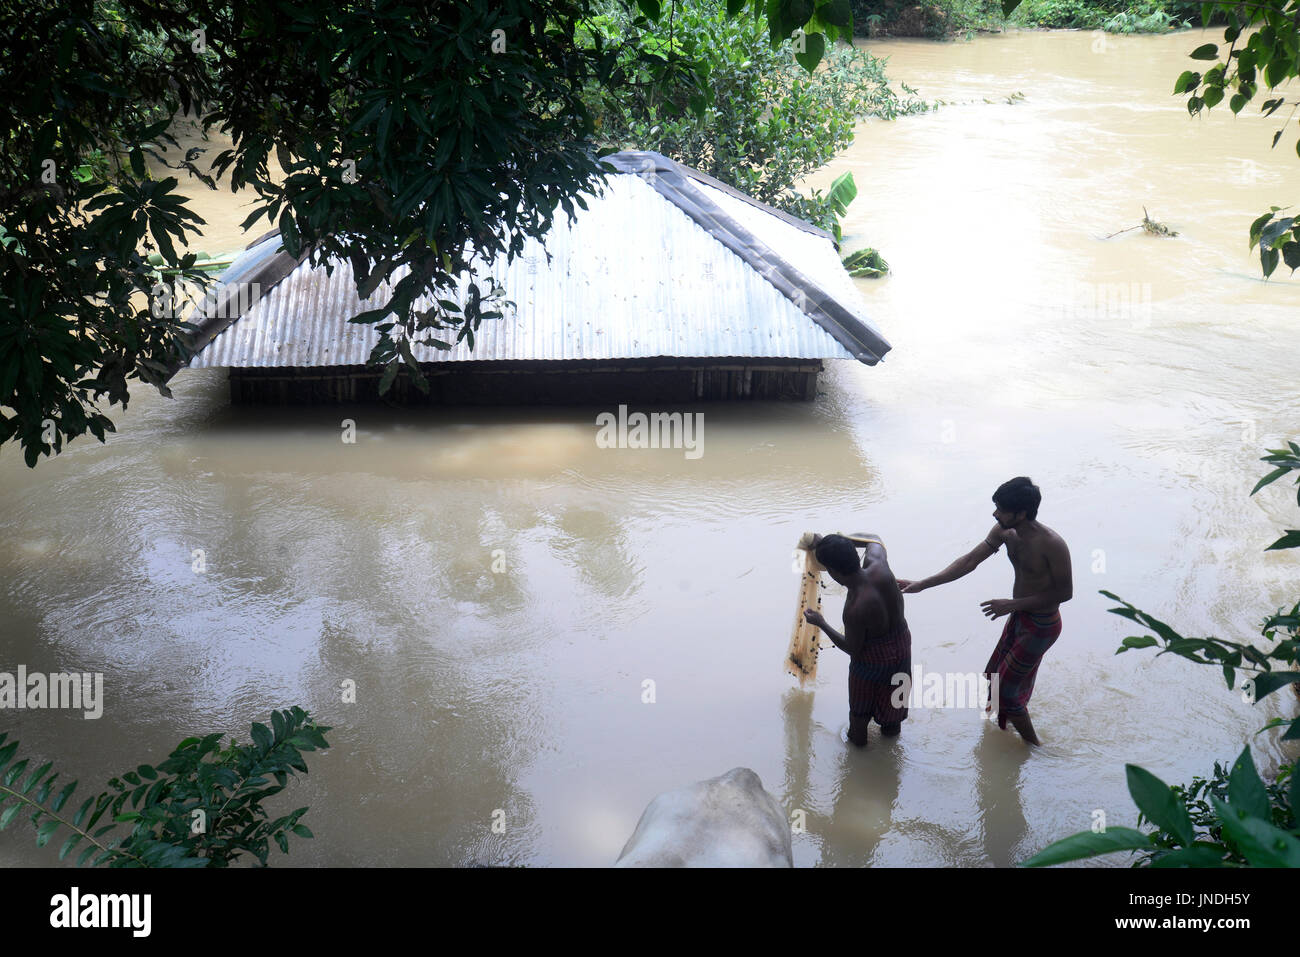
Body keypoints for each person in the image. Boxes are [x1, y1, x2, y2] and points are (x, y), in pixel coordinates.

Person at [896, 477, 1072, 745]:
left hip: (1043, 624)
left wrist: (1011, 604)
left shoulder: (1051, 544)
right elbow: (968, 561)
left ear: (1022, 513)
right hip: (1019, 617)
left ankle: (1035, 748)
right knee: (995, 678)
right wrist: (923, 584)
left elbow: (1064, 593)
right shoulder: (1004, 532)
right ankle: (999, 733)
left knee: (1008, 692)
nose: (995, 513)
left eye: (1001, 509)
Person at [802, 533, 911, 747]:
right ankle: (890, 744)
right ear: (855, 555)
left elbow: (852, 648)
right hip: (901, 647)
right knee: (894, 712)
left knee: (859, 719)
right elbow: (874, 539)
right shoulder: (879, 565)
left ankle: (858, 753)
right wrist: (837, 540)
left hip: (873, 662)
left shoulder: (855, 608)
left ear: (832, 572)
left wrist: (821, 623)